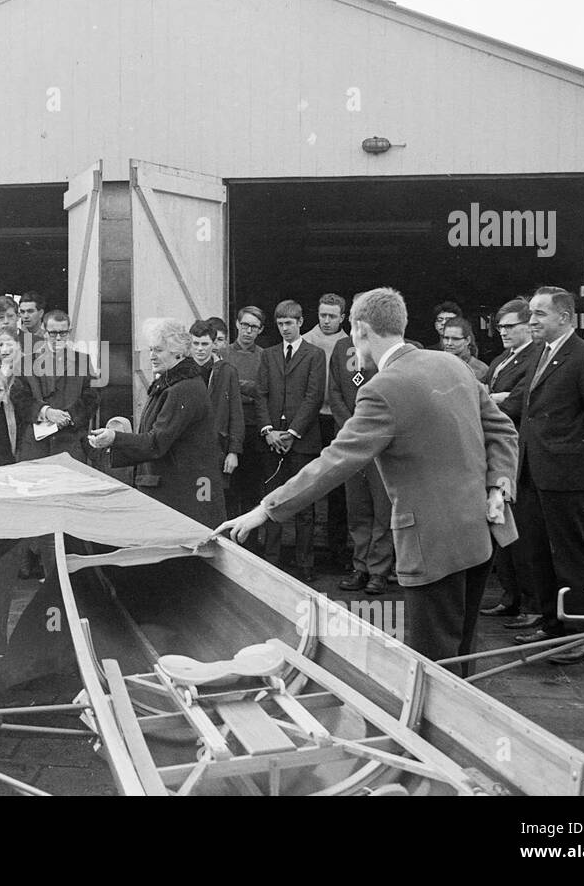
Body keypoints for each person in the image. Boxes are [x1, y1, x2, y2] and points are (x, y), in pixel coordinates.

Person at [215, 287, 519, 674]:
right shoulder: (451, 365)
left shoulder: (382, 389)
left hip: (432, 547)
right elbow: (503, 430)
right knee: (463, 657)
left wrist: (265, 508)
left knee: (435, 670)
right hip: (478, 536)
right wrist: (499, 484)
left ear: (359, 329)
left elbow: (334, 462)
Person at [510, 287, 584, 663]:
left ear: (565, 318)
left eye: (540, 314)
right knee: (539, 551)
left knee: (571, 557)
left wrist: (579, 458)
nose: (532, 320)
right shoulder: (541, 354)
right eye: (531, 314)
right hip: (533, 472)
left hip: (567, 475)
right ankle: (552, 627)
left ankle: (579, 635)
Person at [89, 318, 225, 527]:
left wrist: (115, 438)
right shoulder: (172, 385)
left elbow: (156, 442)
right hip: (175, 491)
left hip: (183, 496)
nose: (152, 356)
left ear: (178, 352)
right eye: (151, 349)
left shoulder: (183, 389)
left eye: (159, 350)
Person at [479, 299, 542, 625]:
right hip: (499, 453)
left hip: (519, 454)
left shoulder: (536, 357)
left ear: (528, 325)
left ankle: (531, 603)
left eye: (510, 326)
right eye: (500, 326)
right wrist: (495, 399)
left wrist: (494, 400)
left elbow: (518, 402)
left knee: (523, 533)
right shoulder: (502, 360)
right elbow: (484, 394)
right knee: (501, 524)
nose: (503, 332)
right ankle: (511, 596)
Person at [326, 323, 394, 596]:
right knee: (357, 508)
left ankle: (379, 570)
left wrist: (370, 428)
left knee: (382, 509)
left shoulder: (384, 347)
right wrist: (351, 425)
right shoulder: (342, 347)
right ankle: (360, 566)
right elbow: (334, 393)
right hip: (351, 440)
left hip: (379, 443)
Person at [262, 300, 327, 579]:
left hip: (303, 441)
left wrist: (293, 432)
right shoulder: (269, 354)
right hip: (272, 441)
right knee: (272, 502)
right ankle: (271, 561)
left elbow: (314, 397)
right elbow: (261, 394)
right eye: (280, 324)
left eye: (290, 323)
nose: (285, 328)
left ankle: (305, 564)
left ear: (301, 322)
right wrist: (268, 430)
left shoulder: (315, 354)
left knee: (304, 505)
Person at [302, 293, 351, 571]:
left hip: (337, 420)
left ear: (343, 317)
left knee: (338, 488)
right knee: (307, 483)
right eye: (323, 315)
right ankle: (305, 555)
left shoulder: (350, 345)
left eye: (333, 316)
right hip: (310, 422)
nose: (327, 321)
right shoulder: (306, 340)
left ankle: (337, 552)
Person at [11, 309, 98, 464]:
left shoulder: (83, 361)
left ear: (69, 332)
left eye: (63, 333)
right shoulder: (26, 363)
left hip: (70, 443)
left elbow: (92, 397)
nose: (58, 338)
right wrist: (46, 412)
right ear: (44, 332)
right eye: (53, 333)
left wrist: (69, 416)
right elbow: (19, 398)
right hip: (36, 446)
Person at [225, 305, 274, 542]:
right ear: (237, 324)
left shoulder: (265, 356)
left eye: (253, 327)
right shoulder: (223, 354)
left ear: (260, 330)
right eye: (244, 325)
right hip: (228, 428)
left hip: (254, 429)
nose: (247, 331)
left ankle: (251, 543)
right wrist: (249, 388)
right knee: (229, 488)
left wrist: (236, 384)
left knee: (253, 488)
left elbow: (264, 391)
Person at [188, 319, 242, 492]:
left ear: (213, 344)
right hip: (187, 447)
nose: (200, 349)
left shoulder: (227, 372)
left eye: (205, 344)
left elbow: (236, 414)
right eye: (195, 343)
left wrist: (233, 452)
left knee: (212, 497)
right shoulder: (181, 371)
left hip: (216, 446)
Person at [441, 316, 489, 382]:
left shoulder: (480, 370)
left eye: (455, 339)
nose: (449, 343)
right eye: (446, 338)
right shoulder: (436, 364)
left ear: (467, 340)